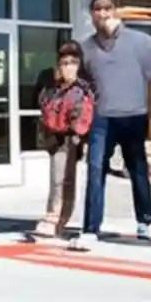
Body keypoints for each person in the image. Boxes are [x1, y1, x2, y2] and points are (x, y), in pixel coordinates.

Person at [72, 0, 151, 251]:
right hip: (102, 118)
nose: (103, 14)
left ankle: (144, 221)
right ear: (91, 15)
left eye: (108, 8)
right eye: (97, 9)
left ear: (116, 12)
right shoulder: (86, 47)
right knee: (95, 168)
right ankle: (90, 228)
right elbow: (83, 85)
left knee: (138, 170)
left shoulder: (141, 41)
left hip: (135, 115)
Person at [32, 40, 96, 240]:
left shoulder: (82, 89)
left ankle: (57, 218)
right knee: (58, 179)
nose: (68, 66)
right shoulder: (51, 86)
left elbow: (85, 113)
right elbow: (42, 104)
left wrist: (78, 134)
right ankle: (55, 217)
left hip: (72, 137)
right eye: (64, 62)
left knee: (64, 180)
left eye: (73, 62)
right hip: (54, 136)